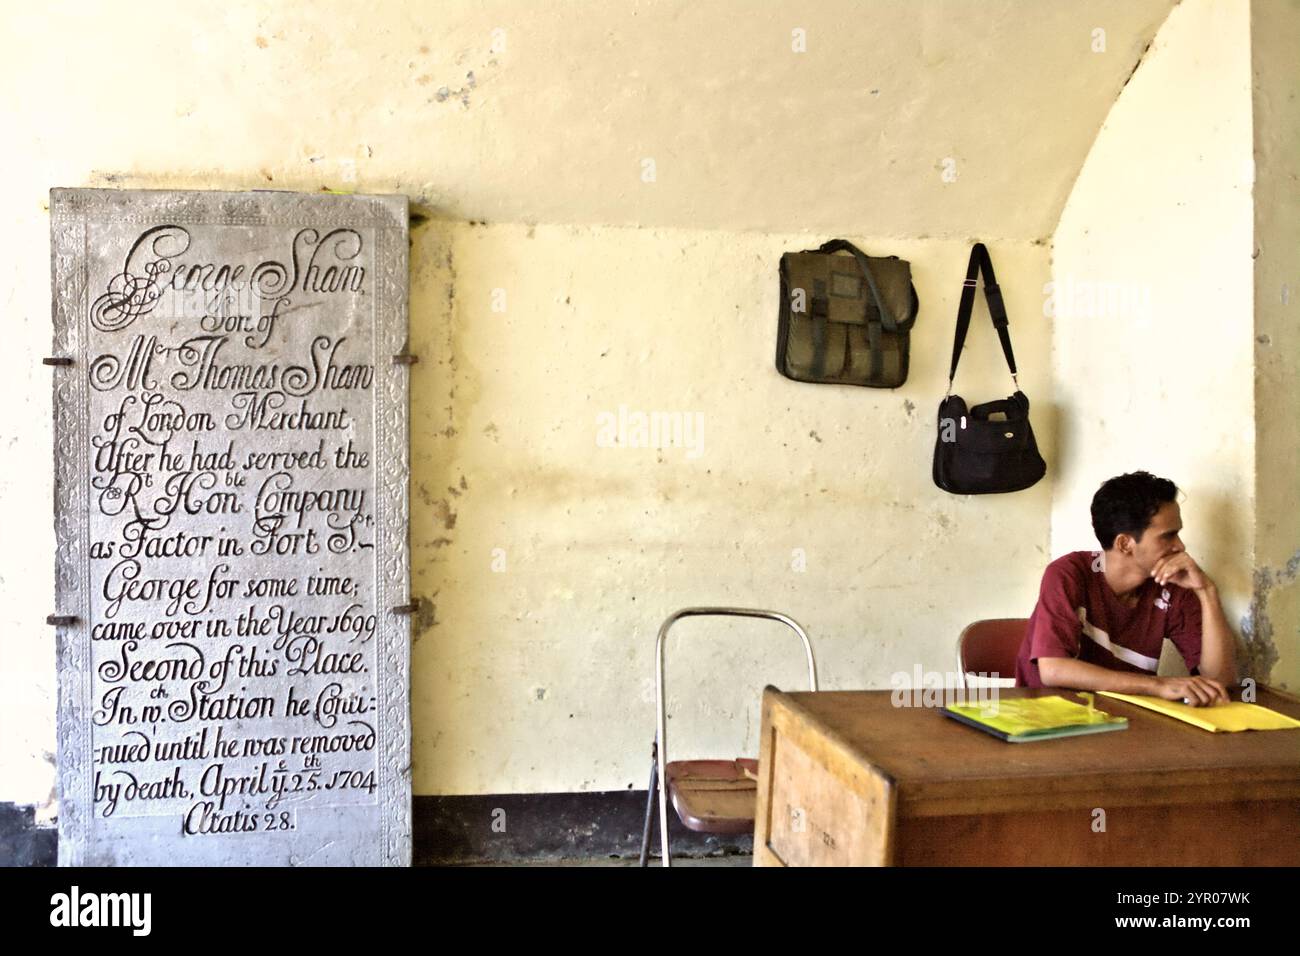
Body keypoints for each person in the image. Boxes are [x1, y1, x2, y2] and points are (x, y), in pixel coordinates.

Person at [1014, 471, 1237, 706]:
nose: (1180, 546)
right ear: (1124, 544)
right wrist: (1158, 685)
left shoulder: (1173, 584)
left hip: (1125, 723)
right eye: (1168, 536)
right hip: (1049, 718)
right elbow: (1053, 669)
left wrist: (1207, 592)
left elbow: (1219, 681)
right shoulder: (1069, 573)